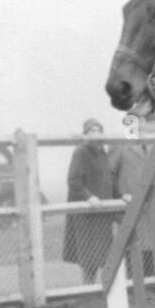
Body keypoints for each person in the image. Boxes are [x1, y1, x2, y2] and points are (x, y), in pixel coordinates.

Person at [110, 113, 155, 279]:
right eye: (144, 122)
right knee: (133, 246)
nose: (148, 126)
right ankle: (133, 282)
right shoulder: (120, 145)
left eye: (151, 122)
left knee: (154, 244)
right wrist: (119, 196)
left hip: (154, 205)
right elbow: (110, 174)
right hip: (130, 206)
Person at [62, 118, 113, 284]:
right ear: (85, 134)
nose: (96, 134)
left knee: (103, 254)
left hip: (102, 212)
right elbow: (73, 180)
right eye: (92, 130)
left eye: (99, 130)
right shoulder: (81, 152)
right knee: (89, 257)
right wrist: (89, 197)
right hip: (87, 213)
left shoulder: (102, 152)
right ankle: (87, 290)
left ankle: (102, 291)